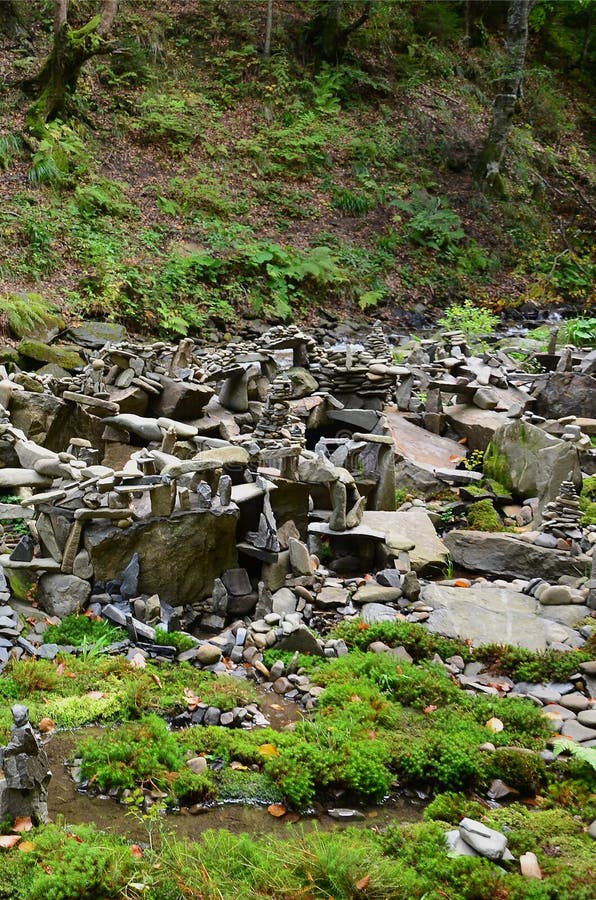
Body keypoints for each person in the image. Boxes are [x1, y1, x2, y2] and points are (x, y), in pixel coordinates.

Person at [0, 704, 51, 824]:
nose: (16, 720)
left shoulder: (26, 730)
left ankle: (26, 791)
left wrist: (9, 749)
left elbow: (29, 748)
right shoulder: (16, 727)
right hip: (17, 757)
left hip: (26, 760)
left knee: (24, 775)